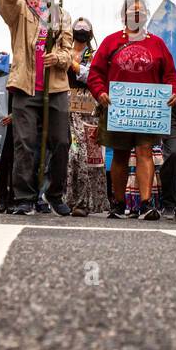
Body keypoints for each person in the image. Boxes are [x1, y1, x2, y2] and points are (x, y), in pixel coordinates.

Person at [87, 0, 176, 221]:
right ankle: (118, 204)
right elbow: (95, 73)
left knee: (144, 152)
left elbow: (169, 74)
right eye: (131, 12)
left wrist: (174, 92)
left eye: (140, 12)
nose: (136, 16)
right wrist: (100, 92)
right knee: (119, 154)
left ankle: (146, 204)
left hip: (148, 111)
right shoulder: (110, 42)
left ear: (147, 15)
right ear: (123, 16)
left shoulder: (158, 44)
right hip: (117, 107)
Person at [0, 0, 73, 216]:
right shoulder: (18, 10)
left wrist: (59, 58)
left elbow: (67, 49)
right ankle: (24, 197)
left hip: (56, 87)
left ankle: (53, 193)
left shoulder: (59, 13)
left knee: (61, 142)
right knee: (25, 143)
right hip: (25, 86)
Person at [66, 17, 108, 217]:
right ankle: (71, 198)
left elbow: (93, 75)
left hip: (89, 107)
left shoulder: (93, 53)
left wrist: (74, 66)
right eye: (78, 27)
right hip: (67, 105)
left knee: (91, 154)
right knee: (73, 152)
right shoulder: (64, 49)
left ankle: (91, 201)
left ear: (90, 34)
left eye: (85, 28)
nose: (81, 31)